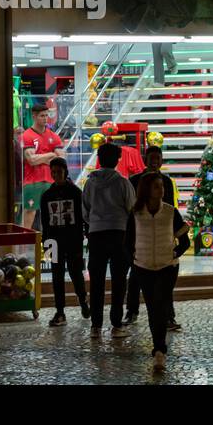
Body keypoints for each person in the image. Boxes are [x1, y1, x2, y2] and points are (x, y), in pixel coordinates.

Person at [125, 171, 191, 371]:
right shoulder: (135, 214)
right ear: (146, 190)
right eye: (156, 186)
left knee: (161, 305)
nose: (161, 190)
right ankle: (159, 348)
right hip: (143, 267)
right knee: (153, 308)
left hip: (167, 267)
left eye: (162, 186)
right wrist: (134, 260)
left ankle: (159, 351)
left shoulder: (171, 212)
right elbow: (127, 242)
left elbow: (185, 240)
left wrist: (174, 253)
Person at [82, 141, 135, 339]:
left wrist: (96, 221)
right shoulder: (122, 182)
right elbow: (131, 208)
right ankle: (116, 324)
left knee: (96, 281)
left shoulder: (90, 182)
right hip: (118, 234)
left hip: (96, 234)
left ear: (99, 159)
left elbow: (85, 212)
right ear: (117, 160)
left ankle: (96, 326)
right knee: (119, 280)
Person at [125, 145, 180, 329]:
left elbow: (171, 207)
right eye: (152, 158)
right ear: (145, 159)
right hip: (142, 235)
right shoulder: (133, 180)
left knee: (165, 282)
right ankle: (131, 312)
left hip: (162, 234)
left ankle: (168, 316)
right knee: (134, 276)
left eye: (158, 158)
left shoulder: (166, 181)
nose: (155, 161)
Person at [39, 158, 89, 326]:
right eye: (53, 172)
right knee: (56, 276)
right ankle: (60, 311)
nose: (55, 175)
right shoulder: (46, 196)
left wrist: (84, 234)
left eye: (58, 172)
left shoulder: (76, 192)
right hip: (53, 241)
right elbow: (45, 222)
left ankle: (83, 301)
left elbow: (83, 216)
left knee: (76, 273)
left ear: (65, 172)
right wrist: (45, 243)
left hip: (73, 239)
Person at [20, 104, 65, 229]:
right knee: (29, 212)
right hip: (32, 181)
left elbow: (61, 159)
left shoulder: (54, 136)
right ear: (34, 116)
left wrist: (42, 158)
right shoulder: (27, 135)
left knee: (52, 214)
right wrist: (51, 154)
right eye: (42, 116)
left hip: (51, 182)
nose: (45, 118)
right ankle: (23, 242)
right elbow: (32, 160)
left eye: (46, 115)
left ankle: (49, 242)